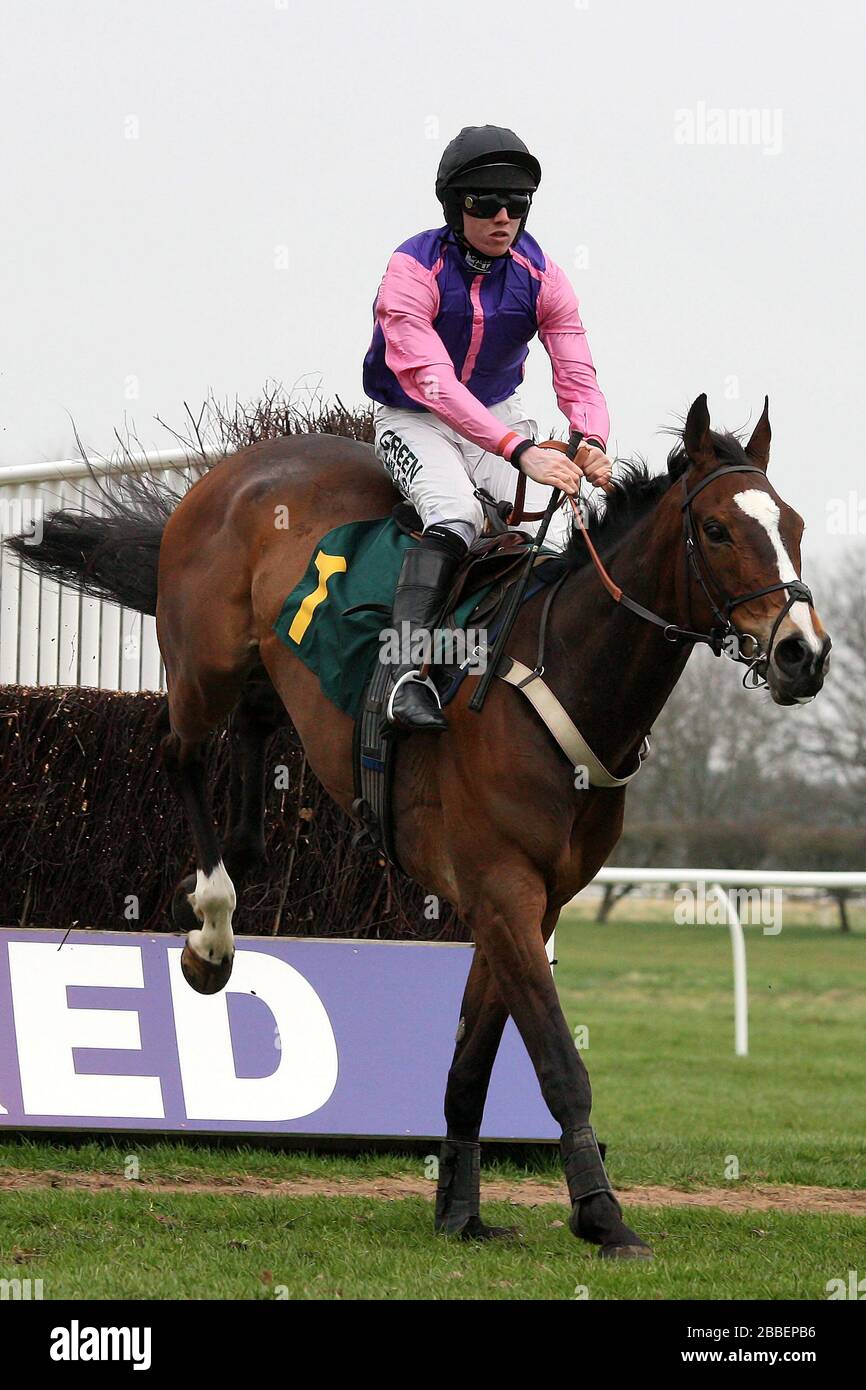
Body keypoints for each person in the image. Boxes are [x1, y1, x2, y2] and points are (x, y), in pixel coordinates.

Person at [363, 124, 613, 732]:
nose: (504, 218)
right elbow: (433, 383)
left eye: (517, 205)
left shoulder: (543, 273)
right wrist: (519, 450)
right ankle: (403, 674)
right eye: (485, 204)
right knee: (457, 515)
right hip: (414, 416)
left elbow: (576, 369)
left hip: (498, 413)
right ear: (455, 207)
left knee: (562, 522)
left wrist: (593, 440)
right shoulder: (411, 268)